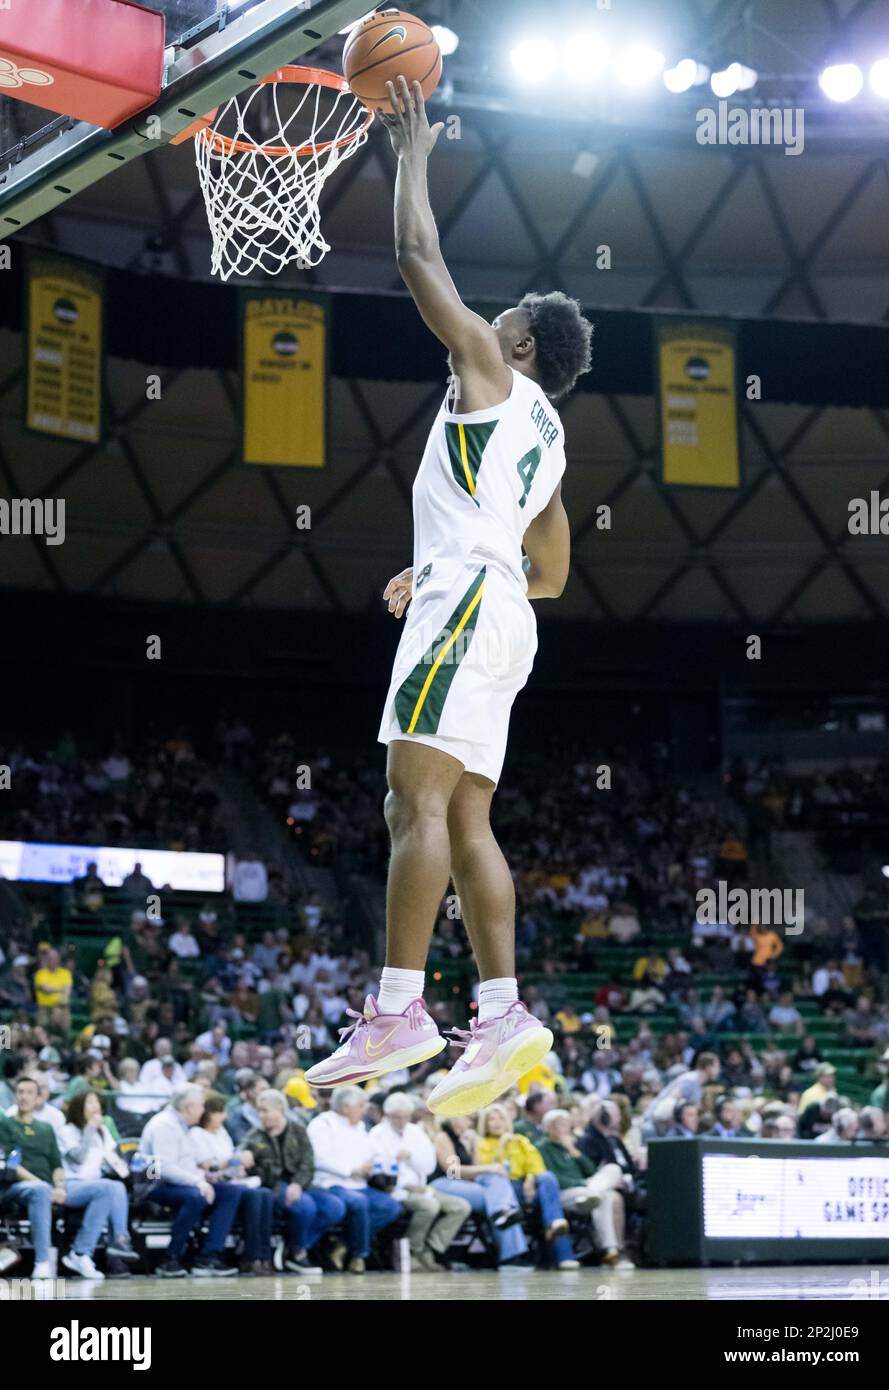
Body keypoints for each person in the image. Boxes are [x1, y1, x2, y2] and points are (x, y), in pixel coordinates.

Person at [306, 77, 593, 1119]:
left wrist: (411, 151)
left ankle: (398, 1010)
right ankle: (505, 1010)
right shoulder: (551, 442)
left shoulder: (492, 374)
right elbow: (553, 573)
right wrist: (448, 569)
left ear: (517, 347)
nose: (491, 315)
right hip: (499, 615)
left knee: (411, 802)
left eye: (503, 315)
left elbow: (417, 260)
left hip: (468, 608)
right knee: (468, 814)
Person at [4, 1075, 118, 1280]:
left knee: (108, 1187)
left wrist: (59, 1186)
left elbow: (56, 1165)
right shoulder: (6, 1125)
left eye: (29, 1092)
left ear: (38, 1097)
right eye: (20, 1092)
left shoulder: (46, 1129)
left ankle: (81, 1253)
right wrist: (43, 1184)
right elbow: (12, 1164)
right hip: (16, 1186)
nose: (24, 1097)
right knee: (40, 1191)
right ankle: (42, 1262)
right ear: (15, 1096)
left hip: (49, 1187)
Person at [140, 1084, 243, 1278]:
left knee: (231, 1192)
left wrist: (205, 1177)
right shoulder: (164, 1125)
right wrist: (198, 1182)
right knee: (196, 1197)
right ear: (189, 1107)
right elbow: (163, 1168)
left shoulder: (184, 1125)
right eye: (202, 1106)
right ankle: (170, 1259)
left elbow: (188, 1164)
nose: (204, 1110)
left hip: (178, 1183)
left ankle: (208, 1256)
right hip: (154, 1185)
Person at [243, 1089, 344, 1275]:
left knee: (335, 1207)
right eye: (259, 1111)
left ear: (280, 1109)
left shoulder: (298, 1130)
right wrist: (244, 1154)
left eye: (265, 1110)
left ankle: (293, 1245)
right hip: (273, 1185)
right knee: (306, 1207)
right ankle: (298, 1253)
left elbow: (308, 1163)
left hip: (301, 1184)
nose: (261, 1115)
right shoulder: (256, 1134)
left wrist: (297, 1184)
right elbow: (243, 1148)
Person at [369, 1092, 469, 1272]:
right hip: (395, 1190)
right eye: (397, 1117)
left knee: (461, 1206)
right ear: (388, 1115)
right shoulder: (376, 1134)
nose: (401, 1121)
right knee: (429, 1207)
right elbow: (378, 1169)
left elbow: (429, 1165)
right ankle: (413, 1251)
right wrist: (403, 1177)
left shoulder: (415, 1132)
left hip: (422, 1187)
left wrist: (411, 1157)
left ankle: (430, 1249)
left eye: (405, 1117)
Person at [307, 1087, 401, 1274]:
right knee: (359, 1202)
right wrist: (350, 1170)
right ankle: (359, 1256)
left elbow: (375, 1153)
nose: (364, 1109)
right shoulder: (322, 1124)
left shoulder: (360, 1127)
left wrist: (372, 1165)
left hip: (359, 1184)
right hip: (330, 1183)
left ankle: (344, 1244)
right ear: (345, 1107)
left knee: (391, 1207)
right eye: (360, 1105)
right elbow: (318, 1158)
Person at [475, 1103, 578, 1270]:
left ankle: (554, 1224)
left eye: (501, 1118)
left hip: (525, 1187)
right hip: (504, 1191)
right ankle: (561, 1247)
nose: (497, 1122)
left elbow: (536, 1165)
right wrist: (501, 1145)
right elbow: (487, 1171)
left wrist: (530, 1181)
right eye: (491, 1119)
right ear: (484, 1124)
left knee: (547, 1177)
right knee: (546, 1195)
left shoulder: (521, 1141)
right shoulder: (481, 1144)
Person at [190, 1092, 275, 1276]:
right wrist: (233, 1162)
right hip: (212, 1183)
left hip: (231, 1180)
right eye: (221, 1112)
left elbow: (230, 1163)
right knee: (252, 1195)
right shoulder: (196, 1134)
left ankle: (263, 1256)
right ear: (210, 1113)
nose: (225, 1116)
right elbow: (208, 1167)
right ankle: (250, 1256)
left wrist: (238, 1164)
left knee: (265, 1193)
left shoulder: (222, 1132)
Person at [536, 1109, 633, 1268]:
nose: (565, 1129)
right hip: (566, 1193)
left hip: (587, 1192)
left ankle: (610, 1251)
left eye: (567, 1125)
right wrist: (582, 1184)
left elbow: (592, 1171)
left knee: (612, 1169)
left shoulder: (572, 1146)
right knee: (604, 1196)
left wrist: (574, 1152)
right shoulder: (542, 1148)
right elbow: (552, 1179)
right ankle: (610, 1252)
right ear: (548, 1128)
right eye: (559, 1125)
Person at [427, 1113, 528, 1265]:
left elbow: (475, 1170)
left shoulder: (468, 1139)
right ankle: (512, 1254)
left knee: (498, 1183)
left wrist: (474, 1146)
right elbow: (452, 1171)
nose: (471, 1122)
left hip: (463, 1184)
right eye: (467, 1118)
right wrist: (489, 1167)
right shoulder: (444, 1137)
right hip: (443, 1184)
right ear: (454, 1117)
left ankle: (504, 1217)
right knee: (499, 1201)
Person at [59, 1090, 139, 1274]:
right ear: (79, 1107)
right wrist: (89, 1129)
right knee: (109, 1187)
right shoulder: (67, 1131)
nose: (96, 1107)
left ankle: (86, 1251)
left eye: (97, 1102)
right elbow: (78, 1157)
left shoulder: (102, 1132)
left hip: (97, 1186)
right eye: (90, 1102)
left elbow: (114, 1158)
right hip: (70, 1185)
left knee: (115, 1186)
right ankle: (115, 1242)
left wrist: (126, 1167)